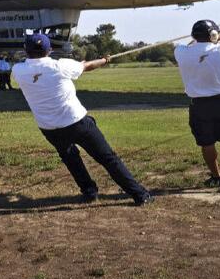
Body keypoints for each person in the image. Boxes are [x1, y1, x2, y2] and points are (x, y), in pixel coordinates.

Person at [11, 34, 152, 205]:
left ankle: (89, 192)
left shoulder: (18, 70)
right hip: (77, 122)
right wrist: (104, 60)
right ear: (49, 50)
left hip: (49, 128)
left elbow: (38, 71)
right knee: (108, 158)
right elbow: (88, 66)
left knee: (71, 159)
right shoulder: (60, 65)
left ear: (26, 50)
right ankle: (139, 195)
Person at [174, 20, 220, 192]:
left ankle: (216, 176)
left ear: (194, 35)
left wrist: (197, 39)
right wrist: (217, 36)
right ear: (213, 35)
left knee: (206, 142)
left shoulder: (181, 52)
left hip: (200, 104)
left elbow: (188, 45)